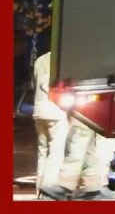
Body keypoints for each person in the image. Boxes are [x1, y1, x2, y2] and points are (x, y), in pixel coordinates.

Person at [39, 115, 115, 200]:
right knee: (88, 147)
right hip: (94, 110)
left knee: (78, 139)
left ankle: (65, 186)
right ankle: (91, 188)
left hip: (86, 111)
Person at [31, 51, 68, 196]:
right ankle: (49, 188)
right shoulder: (62, 59)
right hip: (56, 111)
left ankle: (38, 188)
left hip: (38, 110)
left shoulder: (40, 60)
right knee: (56, 152)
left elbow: (35, 83)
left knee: (42, 151)